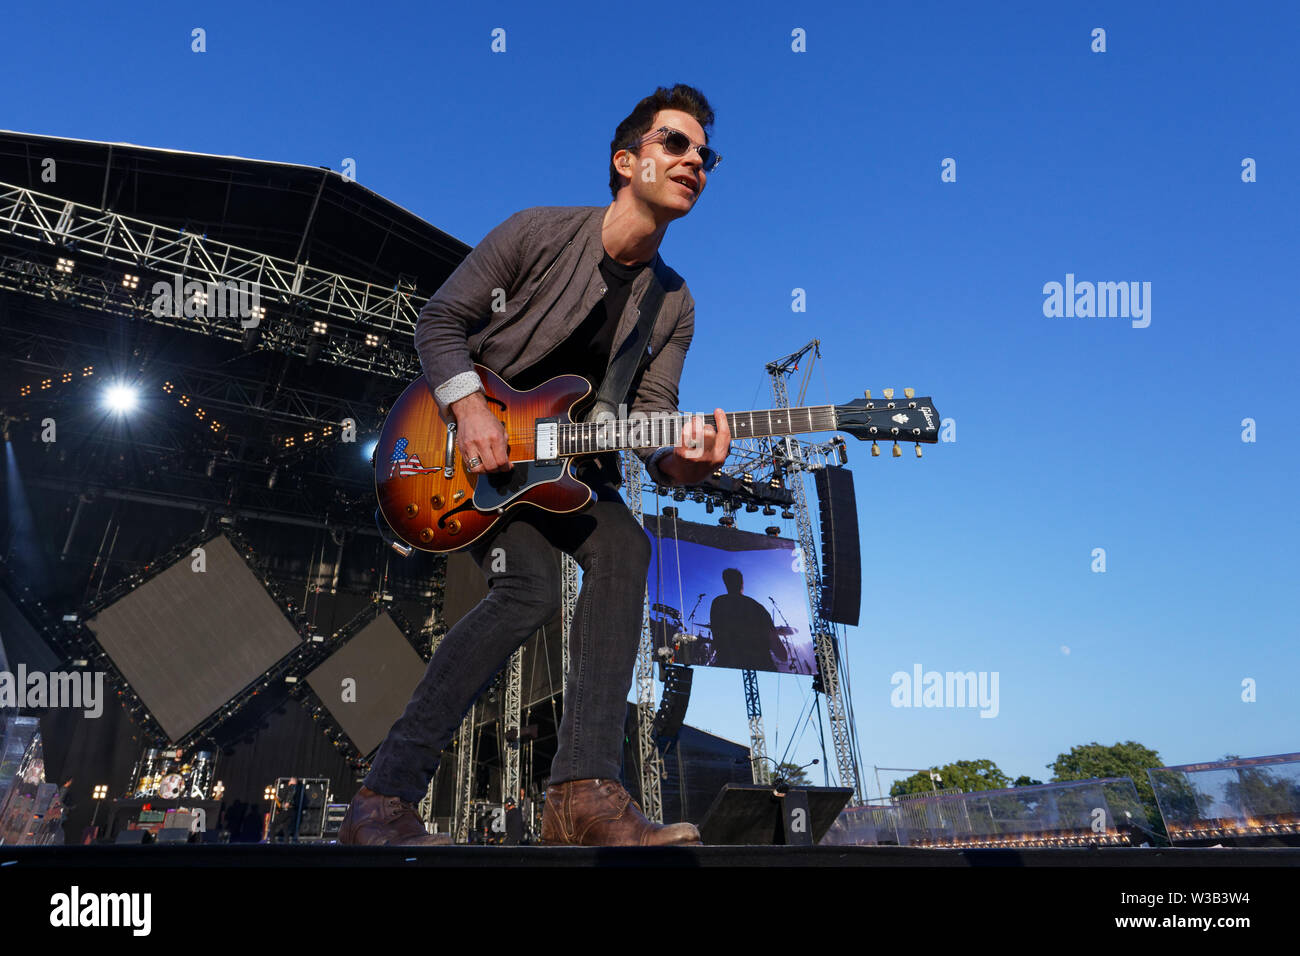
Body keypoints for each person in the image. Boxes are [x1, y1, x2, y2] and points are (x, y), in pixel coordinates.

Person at [339, 84, 731, 847]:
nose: (695, 163)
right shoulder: (537, 232)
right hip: (466, 451)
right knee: (528, 594)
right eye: (676, 145)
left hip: (572, 468)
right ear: (627, 161)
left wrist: (680, 464)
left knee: (624, 547)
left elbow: (650, 414)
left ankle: (582, 792)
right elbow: (440, 322)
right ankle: (383, 800)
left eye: (705, 155)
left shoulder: (674, 302)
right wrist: (473, 409)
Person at [708, 568, 777, 670]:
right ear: (742, 584)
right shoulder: (758, 608)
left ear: (726, 584)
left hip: (728, 666)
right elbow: (781, 654)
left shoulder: (717, 603)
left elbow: (718, 641)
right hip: (762, 667)